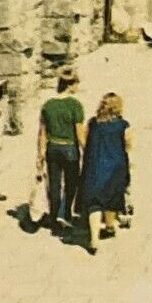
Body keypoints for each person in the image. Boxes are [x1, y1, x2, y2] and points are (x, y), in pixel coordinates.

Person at [78, 92, 134, 255]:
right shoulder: (123, 125)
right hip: (115, 166)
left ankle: (94, 239)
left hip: (94, 166)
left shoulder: (93, 123)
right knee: (111, 198)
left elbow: (86, 141)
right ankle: (109, 226)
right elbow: (128, 145)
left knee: (94, 203)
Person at [36, 66, 87, 231]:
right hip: (69, 149)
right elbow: (79, 134)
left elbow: (42, 133)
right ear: (70, 85)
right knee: (71, 183)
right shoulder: (75, 105)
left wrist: (40, 154)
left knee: (54, 183)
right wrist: (88, 151)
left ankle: (53, 216)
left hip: (52, 148)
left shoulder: (48, 105)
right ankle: (65, 213)